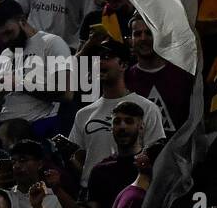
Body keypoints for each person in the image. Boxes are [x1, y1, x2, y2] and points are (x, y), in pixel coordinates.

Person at [69, 42, 164, 189]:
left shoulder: (147, 108)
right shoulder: (83, 114)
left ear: (124, 65)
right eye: (96, 58)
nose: (99, 62)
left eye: (106, 57)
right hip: (93, 197)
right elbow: (78, 159)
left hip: (132, 191)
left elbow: (156, 157)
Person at [0, 0, 74, 131]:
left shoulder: (52, 43)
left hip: (37, 125)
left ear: (22, 20)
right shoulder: (6, 53)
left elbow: (67, 93)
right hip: (4, 124)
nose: (5, 39)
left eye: (8, 32)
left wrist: (20, 83)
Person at [125, 14, 193, 135]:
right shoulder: (125, 79)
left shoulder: (183, 76)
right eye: (137, 34)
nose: (143, 38)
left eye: (149, 32)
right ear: (131, 40)